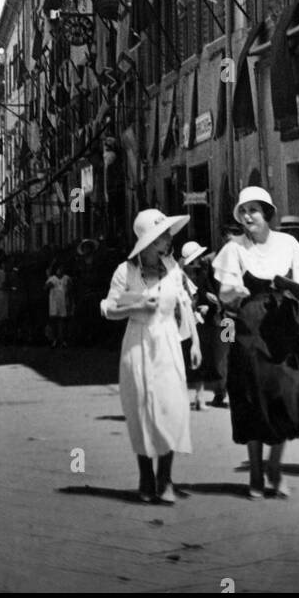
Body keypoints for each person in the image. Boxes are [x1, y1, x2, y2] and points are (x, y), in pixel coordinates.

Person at [213, 186, 299, 499]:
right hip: (249, 331)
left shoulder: (289, 244)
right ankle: (256, 472)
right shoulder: (234, 249)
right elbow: (224, 295)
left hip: (284, 328)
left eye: (253, 210)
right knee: (251, 396)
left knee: (287, 397)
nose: (247, 217)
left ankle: (275, 466)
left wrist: (293, 291)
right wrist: (233, 294)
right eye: (243, 212)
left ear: (267, 213)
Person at [101, 209, 199, 505]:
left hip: (168, 340)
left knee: (172, 407)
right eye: (163, 234)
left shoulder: (173, 268)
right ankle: (145, 475)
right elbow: (108, 308)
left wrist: (195, 342)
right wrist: (137, 307)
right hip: (137, 343)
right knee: (141, 408)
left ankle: (165, 477)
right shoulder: (126, 271)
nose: (169, 238)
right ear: (150, 240)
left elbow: (186, 304)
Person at [180, 241, 227, 411]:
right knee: (218, 355)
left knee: (226, 353)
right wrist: (208, 305)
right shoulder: (203, 272)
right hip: (216, 320)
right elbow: (203, 295)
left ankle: (223, 390)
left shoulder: (214, 270)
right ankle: (220, 391)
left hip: (227, 319)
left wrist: (214, 304)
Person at [45, 261, 71, 347]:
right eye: (59, 268)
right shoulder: (52, 279)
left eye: (62, 268)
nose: (60, 270)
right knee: (54, 322)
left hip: (63, 303)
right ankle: (55, 339)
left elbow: (70, 288)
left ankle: (62, 340)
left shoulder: (66, 278)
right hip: (54, 303)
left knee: (62, 322)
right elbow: (45, 287)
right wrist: (49, 285)